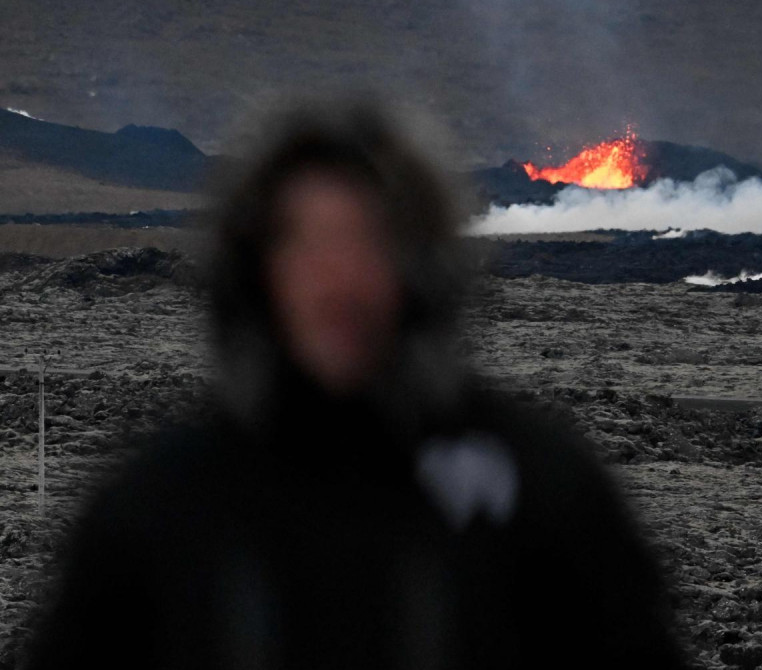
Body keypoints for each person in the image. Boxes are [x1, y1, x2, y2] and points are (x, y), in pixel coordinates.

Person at [22, 101, 687, 670]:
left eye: (367, 242)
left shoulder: (538, 494)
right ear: (254, 270)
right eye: (306, 245)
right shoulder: (162, 510)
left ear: (420, 266)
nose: (337, 281)